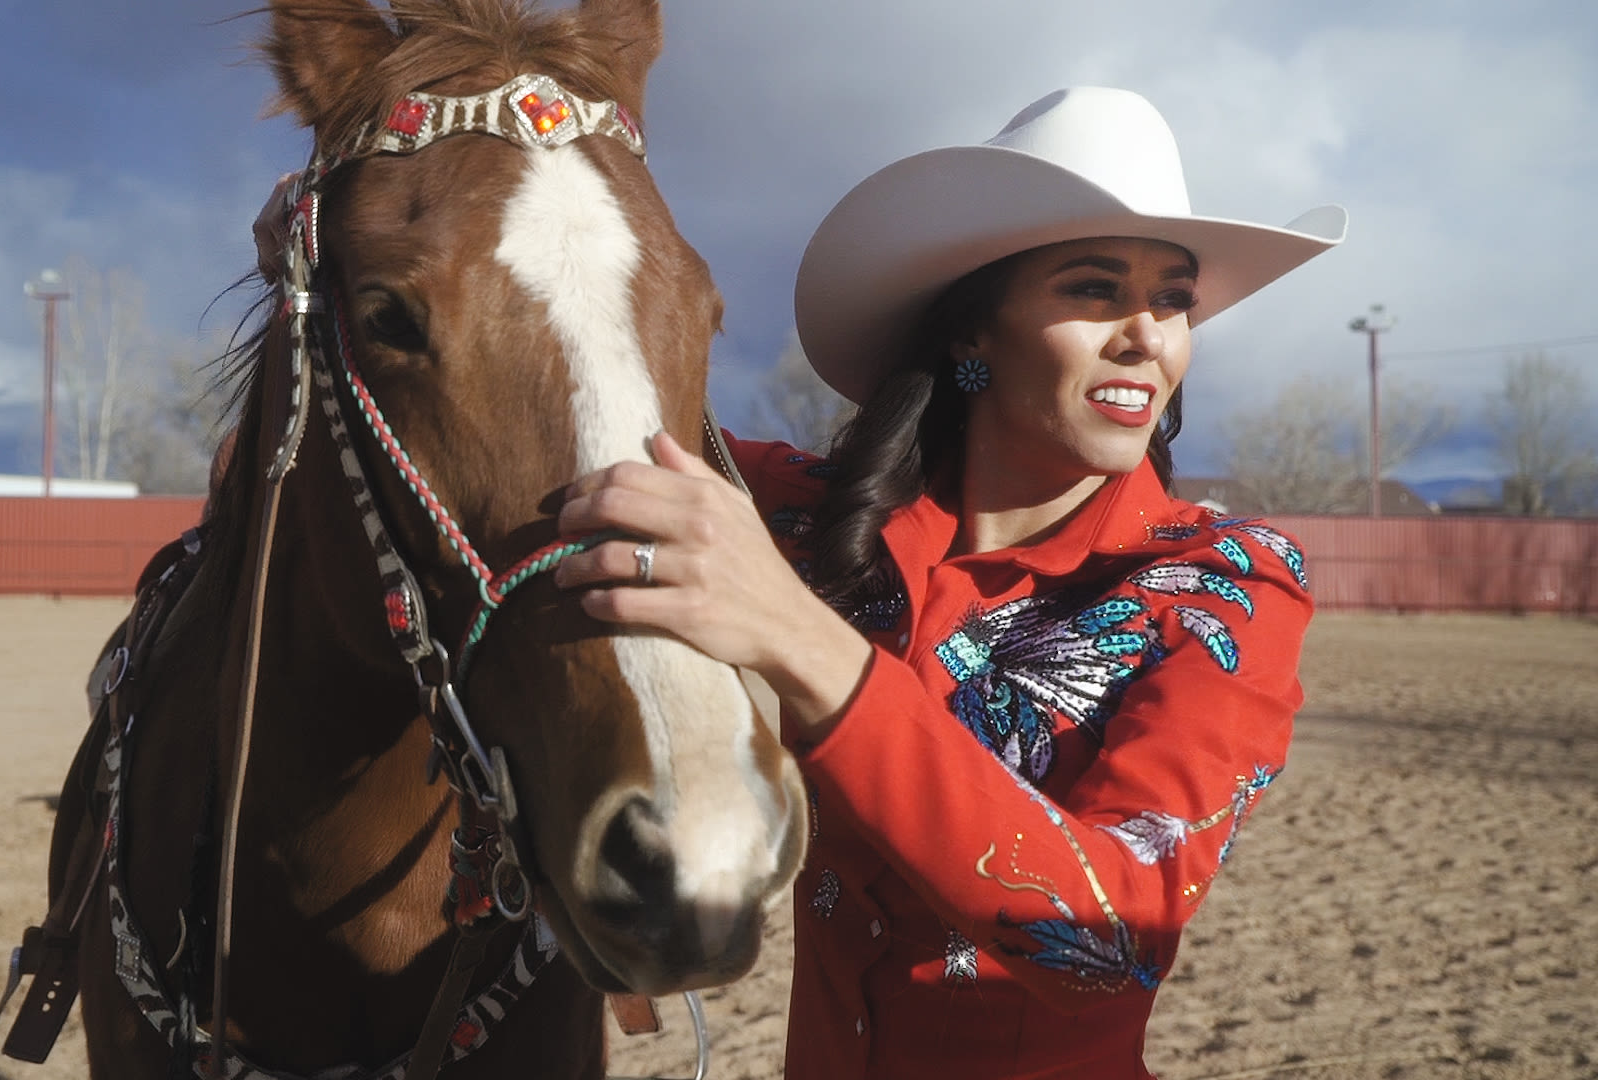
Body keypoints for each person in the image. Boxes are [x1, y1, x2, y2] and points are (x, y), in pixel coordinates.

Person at [255, 85, 1343, 1078]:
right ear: (974, 328)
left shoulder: (1222, 584)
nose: (1146, 337)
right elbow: (522, 413)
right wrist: (345, 263)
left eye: (1174, 301)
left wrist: (806, 644)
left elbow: (1113, 932)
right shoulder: (803, 521)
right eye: (1096, 288)